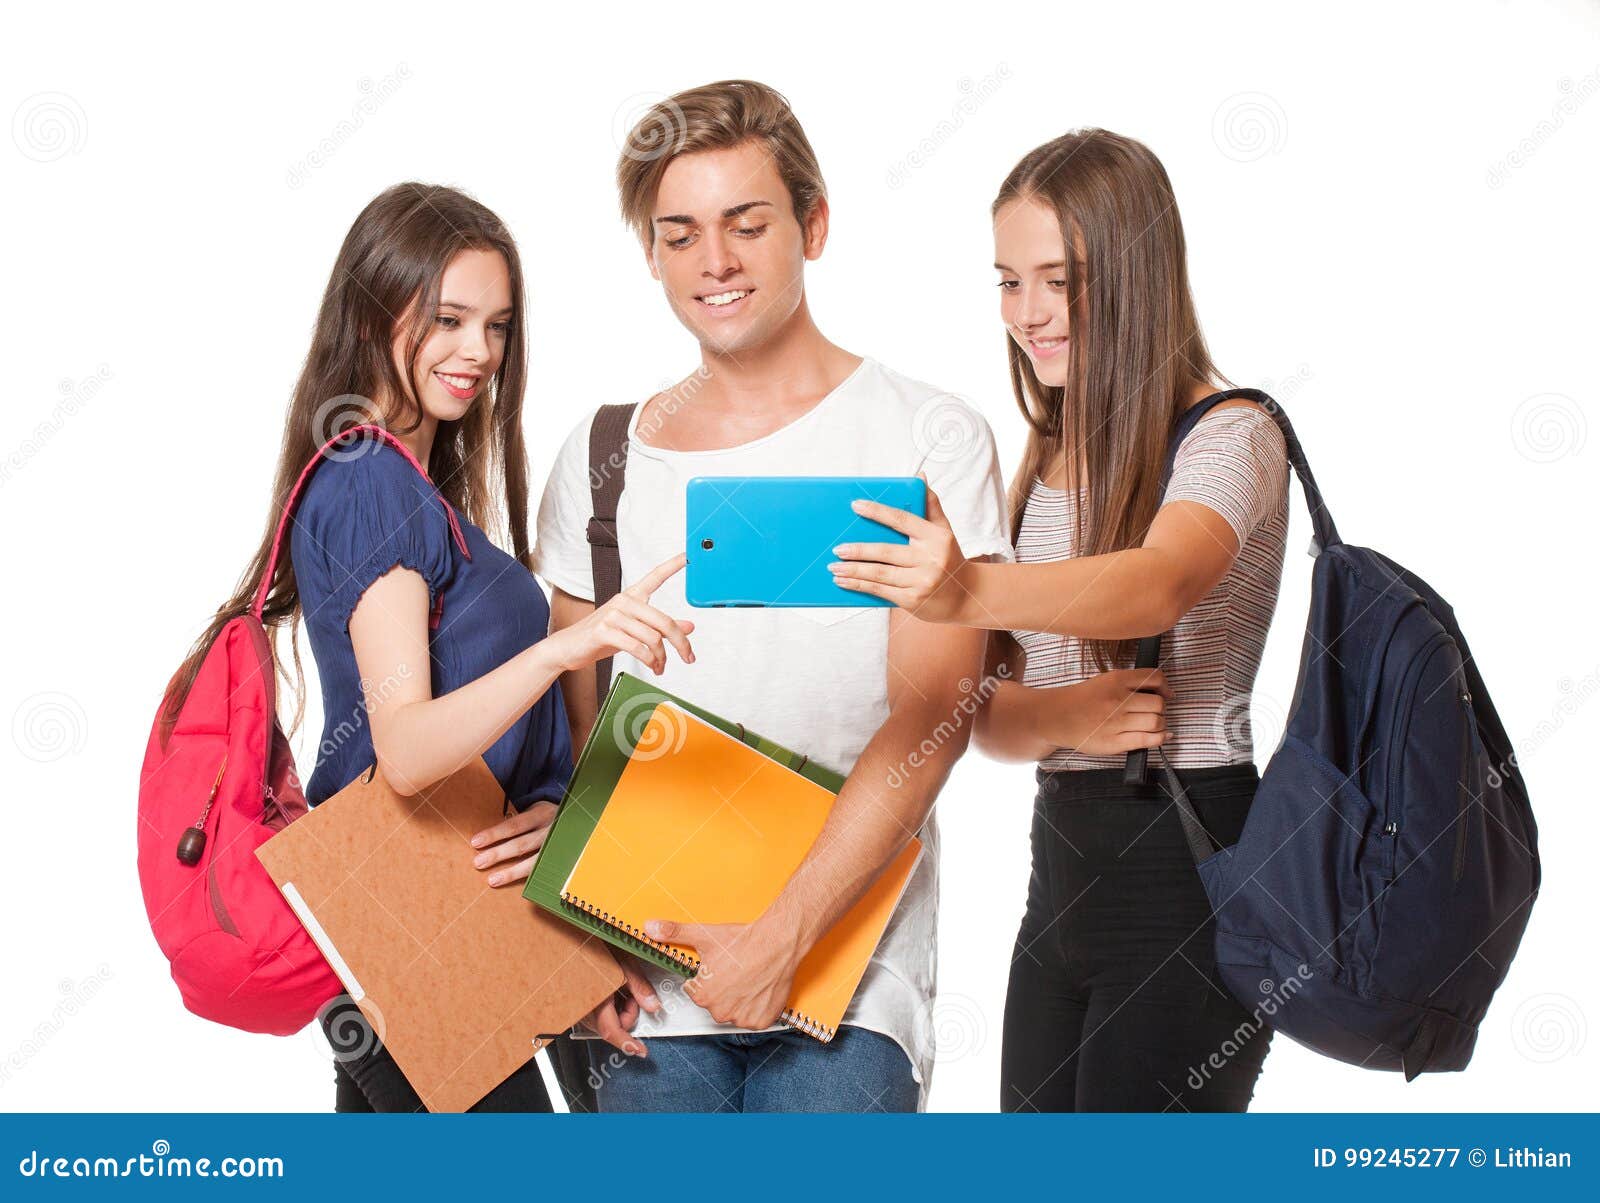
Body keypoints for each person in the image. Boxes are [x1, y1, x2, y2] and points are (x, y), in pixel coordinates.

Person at [531, 79, 1013, 1112]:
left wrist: (783, 938)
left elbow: (935, 714)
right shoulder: (603, 458)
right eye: (680, 235)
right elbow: (574, 724)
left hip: (849, 982)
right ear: (652, 254)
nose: (716, 262)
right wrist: (577, 940)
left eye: (747, 224)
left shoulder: (926, 436)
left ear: (813, 224)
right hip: (643, 980)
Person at [162, 182, 692, 1111]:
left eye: (496, 326)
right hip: (414, 939)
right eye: (447, 319)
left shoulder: (410, 487)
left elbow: (471, 778)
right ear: (374, 312)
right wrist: (568, 649)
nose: (478, 352)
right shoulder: (373, 480)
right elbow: (406, 752)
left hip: (423, 938)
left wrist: (566, 945)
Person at [827, 130, 1290, 1112]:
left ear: (1131, 273)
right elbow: (985, 705)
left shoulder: (1233, 432)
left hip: (1188, 865)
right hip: (1063, 867)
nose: (1027, 314)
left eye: (1058, 280)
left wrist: (967, 592)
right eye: (1007, 281)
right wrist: (1063, 718)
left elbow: (1156, 583)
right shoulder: (1047, 450)